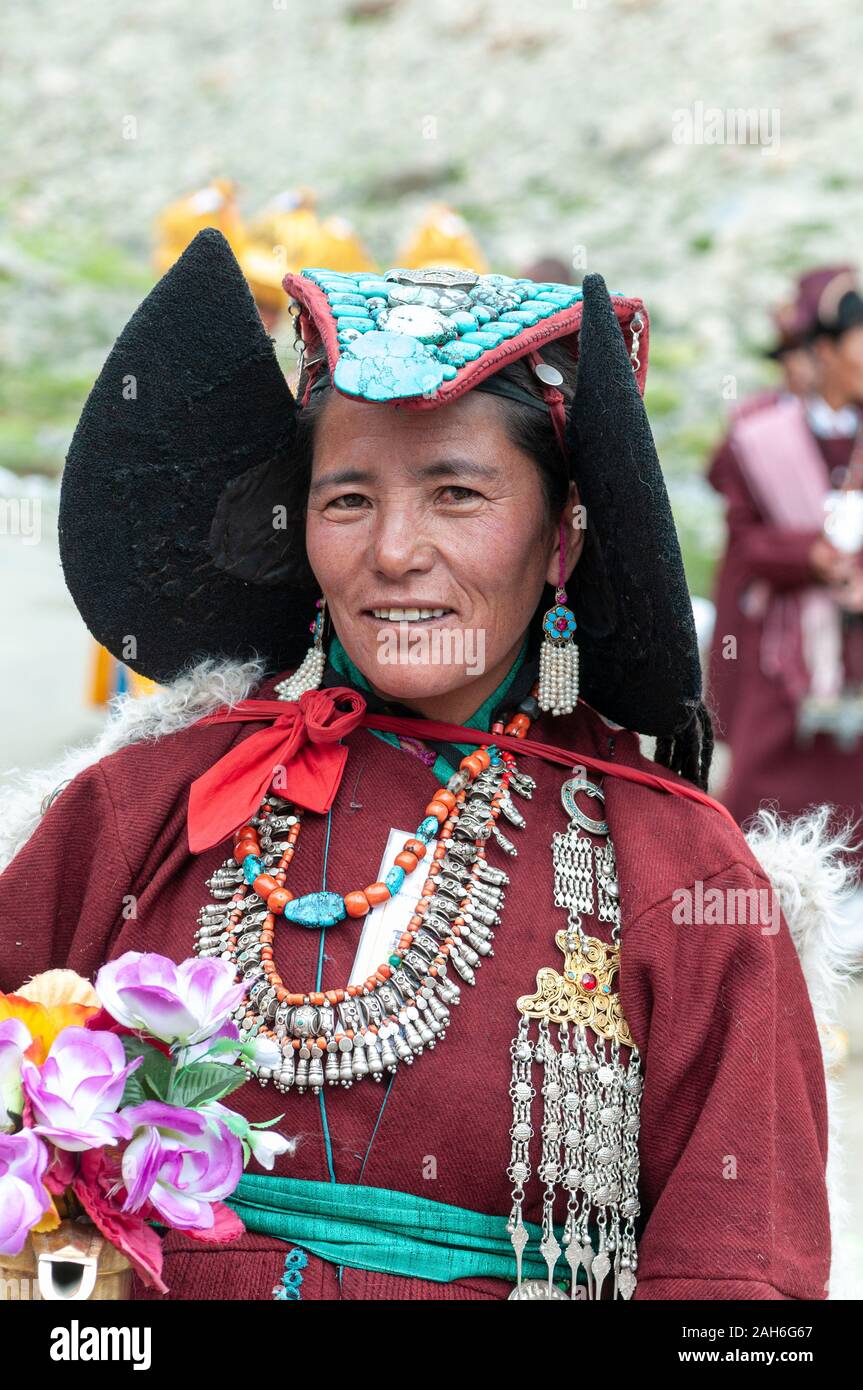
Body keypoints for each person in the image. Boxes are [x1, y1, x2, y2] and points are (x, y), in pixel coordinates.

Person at [0, 231, 830, 1302]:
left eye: (455, 494)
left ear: (560, 537)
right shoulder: (147, 804)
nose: (392, 551)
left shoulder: (681, 871)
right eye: (347, 499)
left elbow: (740, 1273)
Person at [707, 266, 863, 835]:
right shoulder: (763, 437)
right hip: (783, 645)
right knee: (762, 801)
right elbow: (746, 538)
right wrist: (813, 557)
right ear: (825, 351)